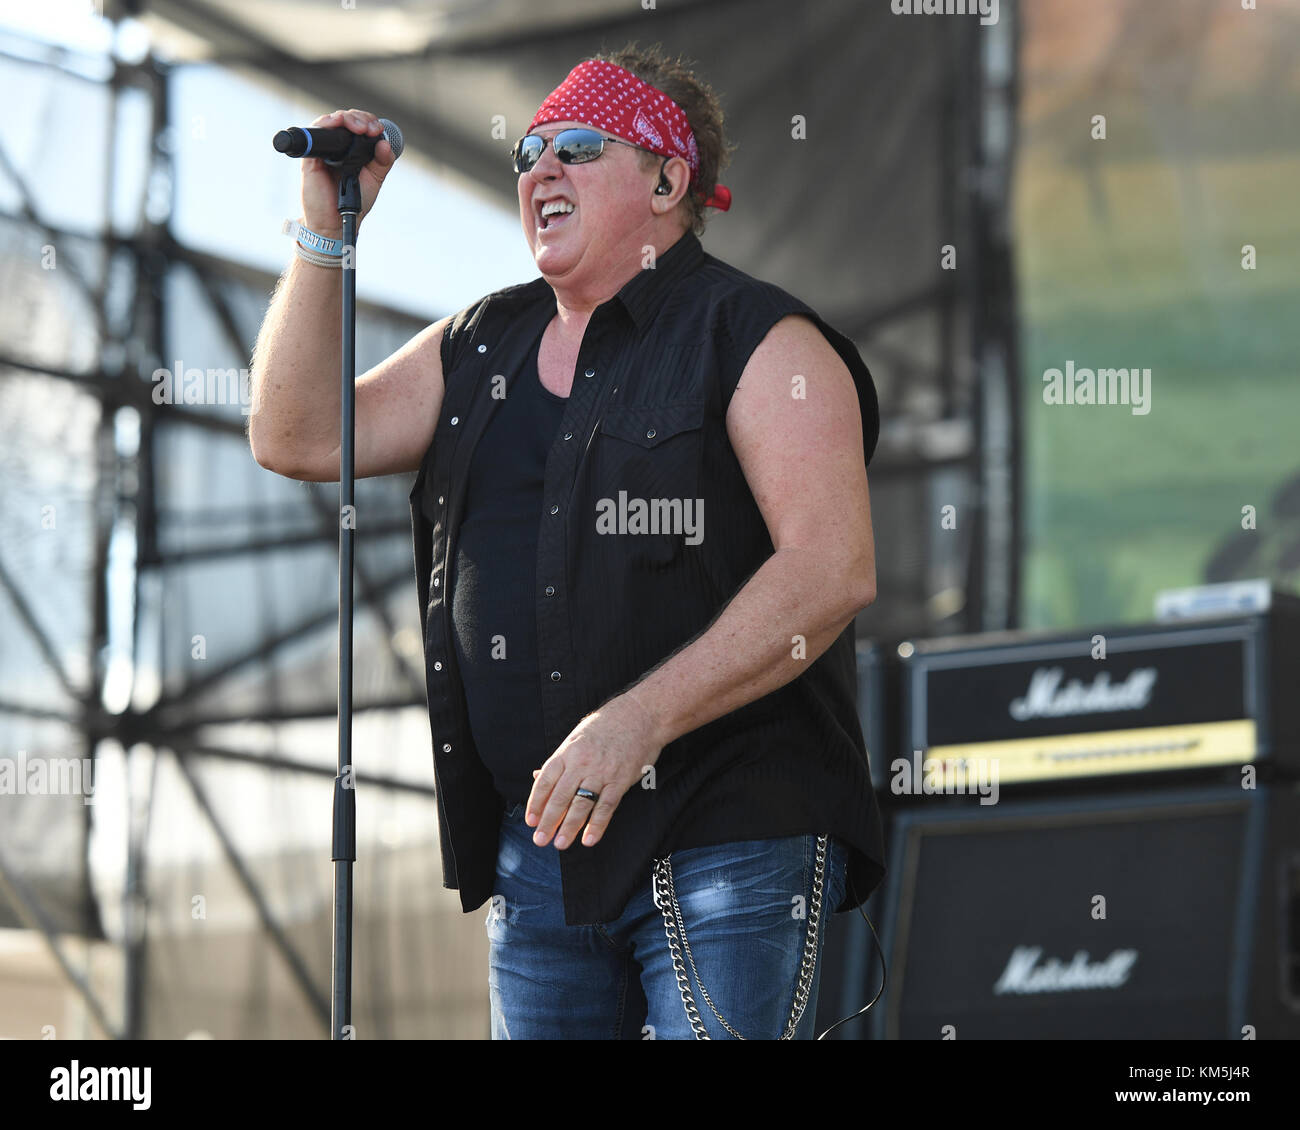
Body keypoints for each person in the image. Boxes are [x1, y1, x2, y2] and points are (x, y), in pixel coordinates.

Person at [250, 43, 885, 1040]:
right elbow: (295, 435)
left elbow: (831, 566)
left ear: (669, 178)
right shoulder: (478, 343)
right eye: (529, 152)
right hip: (539, 850)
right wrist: (325, 230)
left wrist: (640, 716)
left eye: (576, 148)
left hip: (725, 832)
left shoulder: (758, 338)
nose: (538, 170)